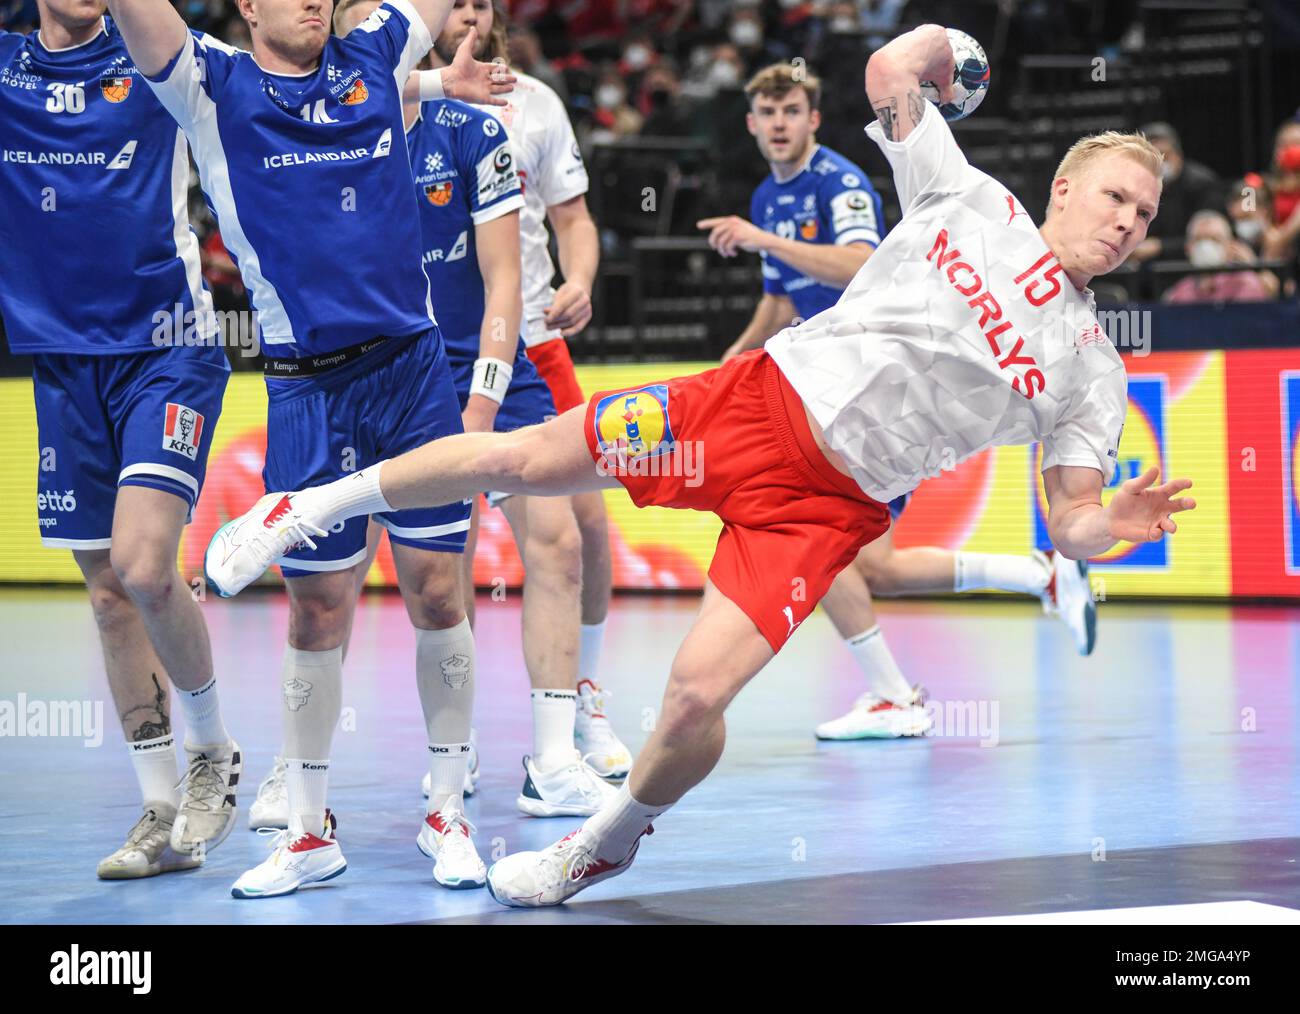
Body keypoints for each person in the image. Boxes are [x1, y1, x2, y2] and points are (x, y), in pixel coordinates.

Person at [205, 24, 1196, 908]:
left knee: (693, 699)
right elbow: (891, 67)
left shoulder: (1092, 370)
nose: (1125, 222)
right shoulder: (971, 199)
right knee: (525, 455)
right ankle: (303, 508)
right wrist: (947, 44)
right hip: (748, 408)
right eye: (1115, 195)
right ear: (1063, 187)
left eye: (1144, 217)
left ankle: (603, 845)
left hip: (825, 510)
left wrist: (1106, 526)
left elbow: (1068, 520)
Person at [107, 0, 510, 898]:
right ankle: (308, 831)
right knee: (317, 612)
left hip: (414, 370)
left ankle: (449, 807)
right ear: (248, 6)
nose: (316, 2)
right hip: (305, 387)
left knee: (440, 591)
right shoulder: (213, 83)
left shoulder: (373, 55)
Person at [701, 62, 1093, 740]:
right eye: (767, 114)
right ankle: (1033, 581)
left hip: (875, 390)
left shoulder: (839, 182)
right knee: (860, 563)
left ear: (813, 117)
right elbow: (779, 296)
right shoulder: (768, 195)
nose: (780, 124)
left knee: (829, 554)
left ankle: (900, 692)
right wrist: (738, 356)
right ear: (751, 124)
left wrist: (762, 240)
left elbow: (858, 260)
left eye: (792, 110)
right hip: (820, 393)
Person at [0, 0, 241, 880]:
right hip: (61, 364)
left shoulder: (153, 53)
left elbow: (279, 75)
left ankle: (213, 752)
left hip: (164, 351)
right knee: (107, 595)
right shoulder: (6, 71)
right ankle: (160, 809)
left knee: (144, 567)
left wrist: (436, 81)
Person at [419, 0, 633, 778]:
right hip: (434, 348)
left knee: (583, 527)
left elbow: (574, 219)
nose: (468, 14)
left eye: (481, 2)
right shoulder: (404, 94)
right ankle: (458, 744)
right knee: (453, 542)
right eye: (455, 3)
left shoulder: (538, 103)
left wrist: (580, 277)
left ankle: (582, 701)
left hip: (534, 346)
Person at [1128, 121, 1221, 263]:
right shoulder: (1136, 186)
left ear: (1178, 155)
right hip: (1147, 266)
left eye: (1164, 155)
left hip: (1191, 263)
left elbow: (1209, 237)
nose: (1160, 163)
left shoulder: (1202, 184)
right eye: (1152, 158)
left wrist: (1160, 247)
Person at [1162, 210, 1272, 304]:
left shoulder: (1245, 284)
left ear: (1230, 247)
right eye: (1198, 239)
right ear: (1187, 248)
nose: (1205, 246)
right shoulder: (1179, 292)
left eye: (1215, 239)